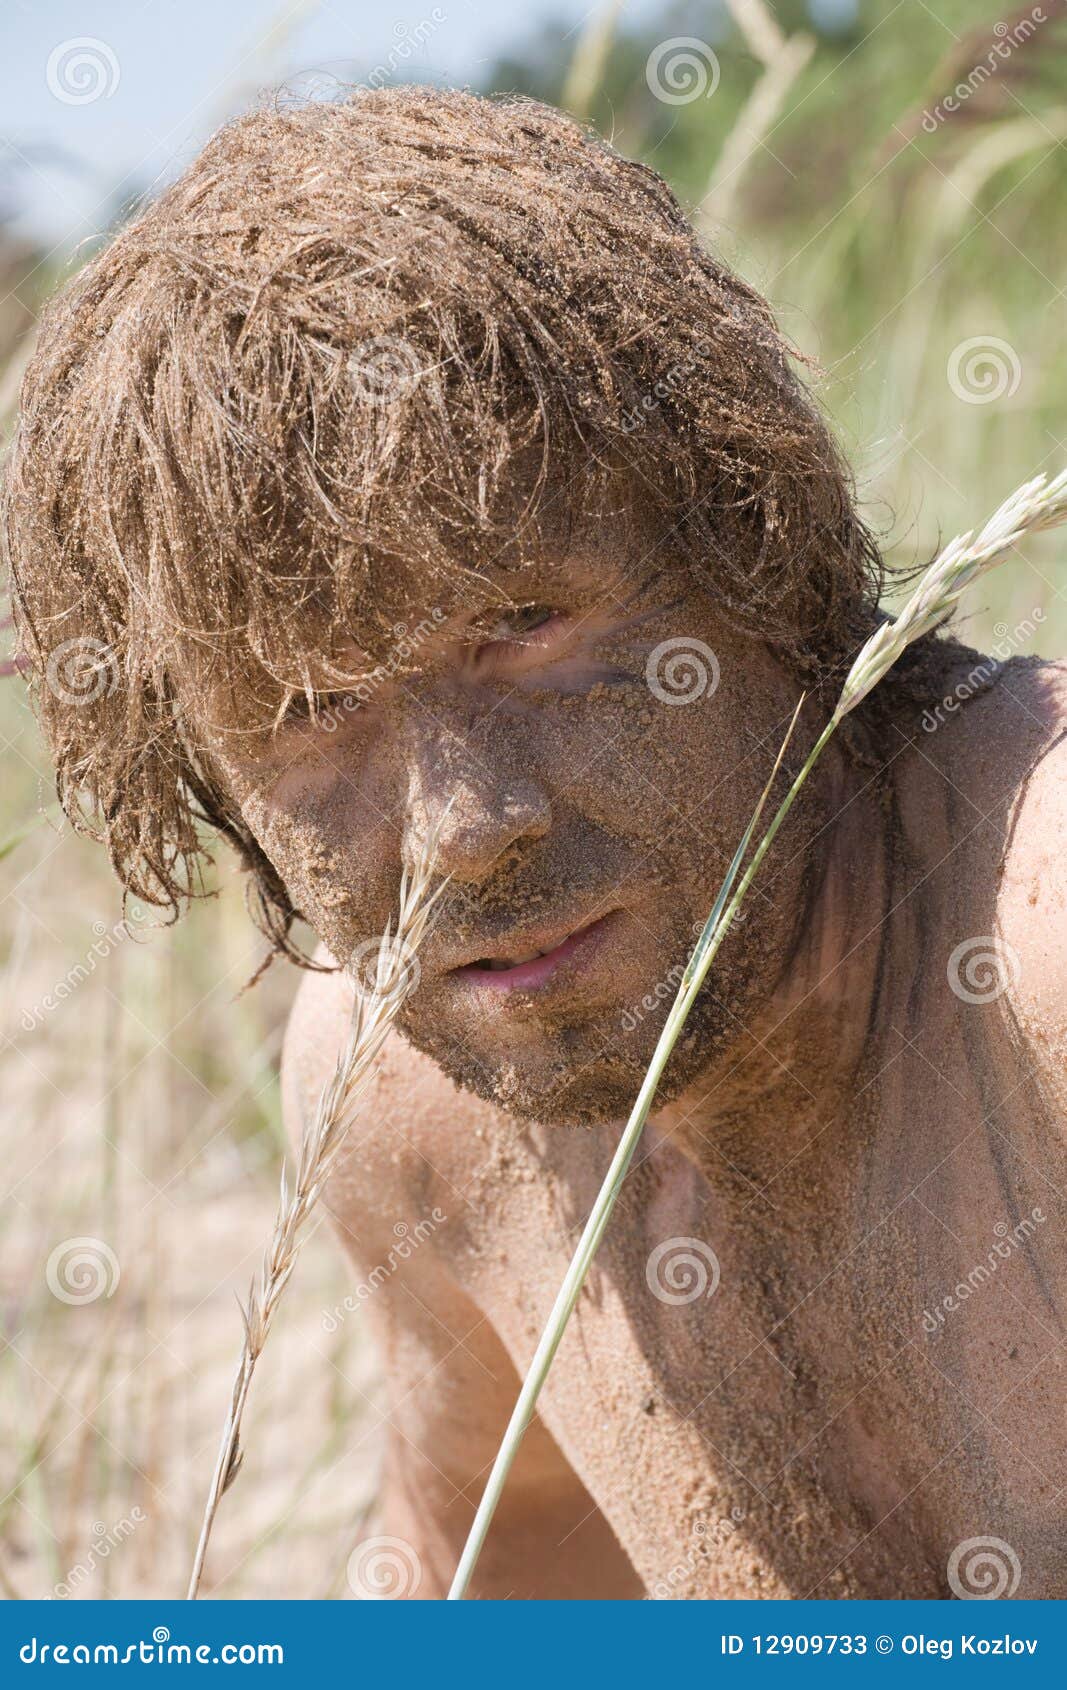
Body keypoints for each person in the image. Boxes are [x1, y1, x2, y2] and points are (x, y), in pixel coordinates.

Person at [4, 87, 1064, 1600]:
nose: (467, 827)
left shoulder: (1038, 934)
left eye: (524, 625)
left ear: (751, 529)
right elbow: (496, 1598)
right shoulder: (401, 1106)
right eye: (309, 706)